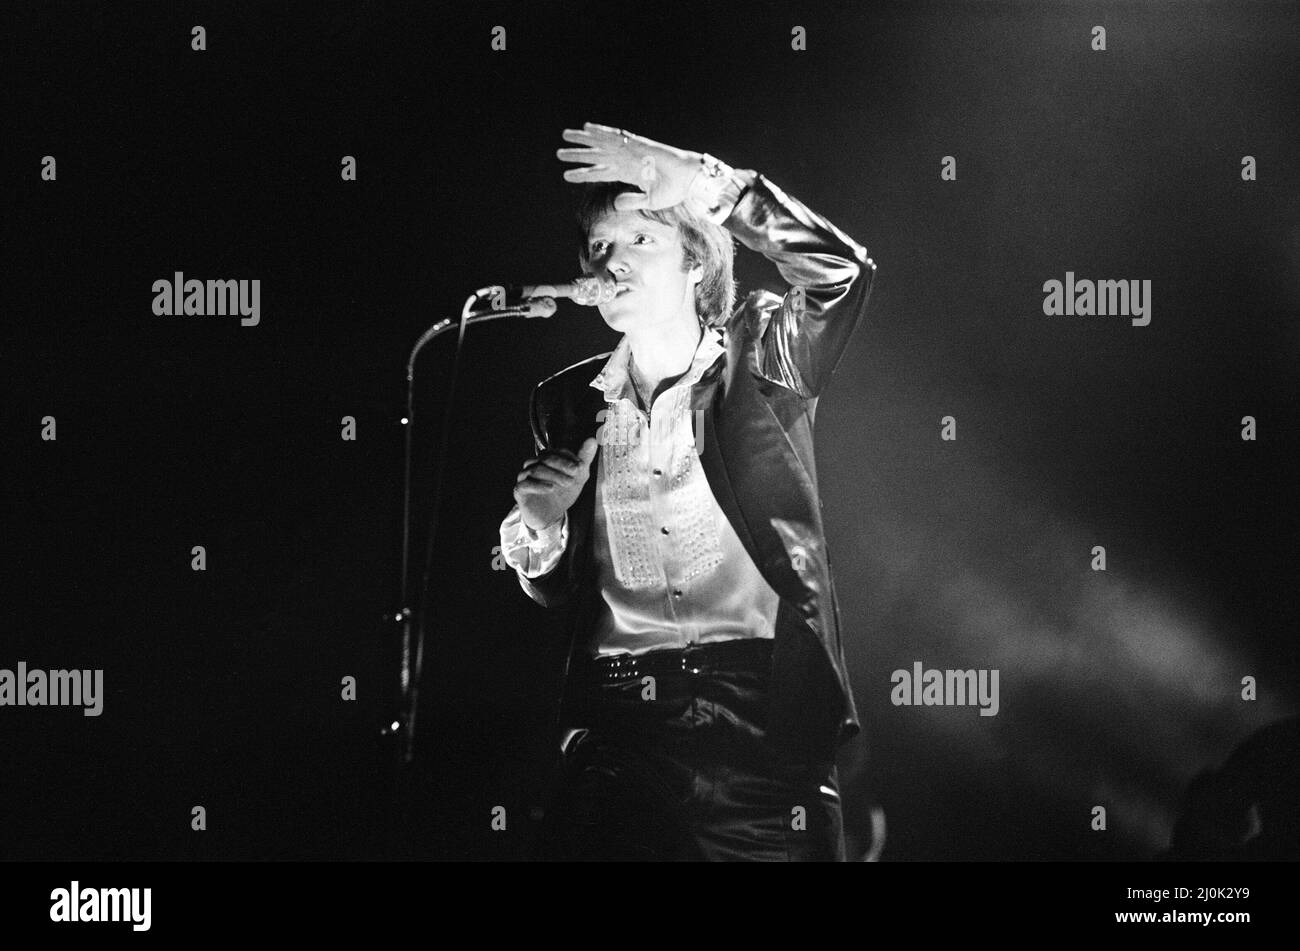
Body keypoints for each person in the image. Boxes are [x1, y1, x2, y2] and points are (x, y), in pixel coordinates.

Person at [498, 122, 876, 860]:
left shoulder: (763, 356)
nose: (613, 261)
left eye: (640, 239)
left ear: (695, 260)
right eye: (601, 246)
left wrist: (711, 184)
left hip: (763, 727)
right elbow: (554, 587)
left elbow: (843, 275)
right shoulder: (565, 402)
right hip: (622, 727)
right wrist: (539, 527)